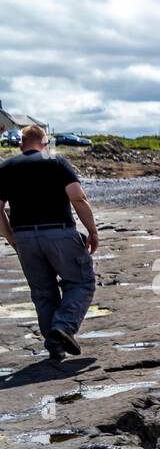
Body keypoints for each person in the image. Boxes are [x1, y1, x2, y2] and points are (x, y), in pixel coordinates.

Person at [0, 125, 99, 362]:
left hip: (25, 237)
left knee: (43, 292)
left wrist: (11, 237)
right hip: (59, 233)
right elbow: (77, 196)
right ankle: (63, 327)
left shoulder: (5, 167)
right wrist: (92, 231)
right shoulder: (56, 163)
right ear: (45, 144)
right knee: (81, 282)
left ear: (20, 144)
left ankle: (55, 346)